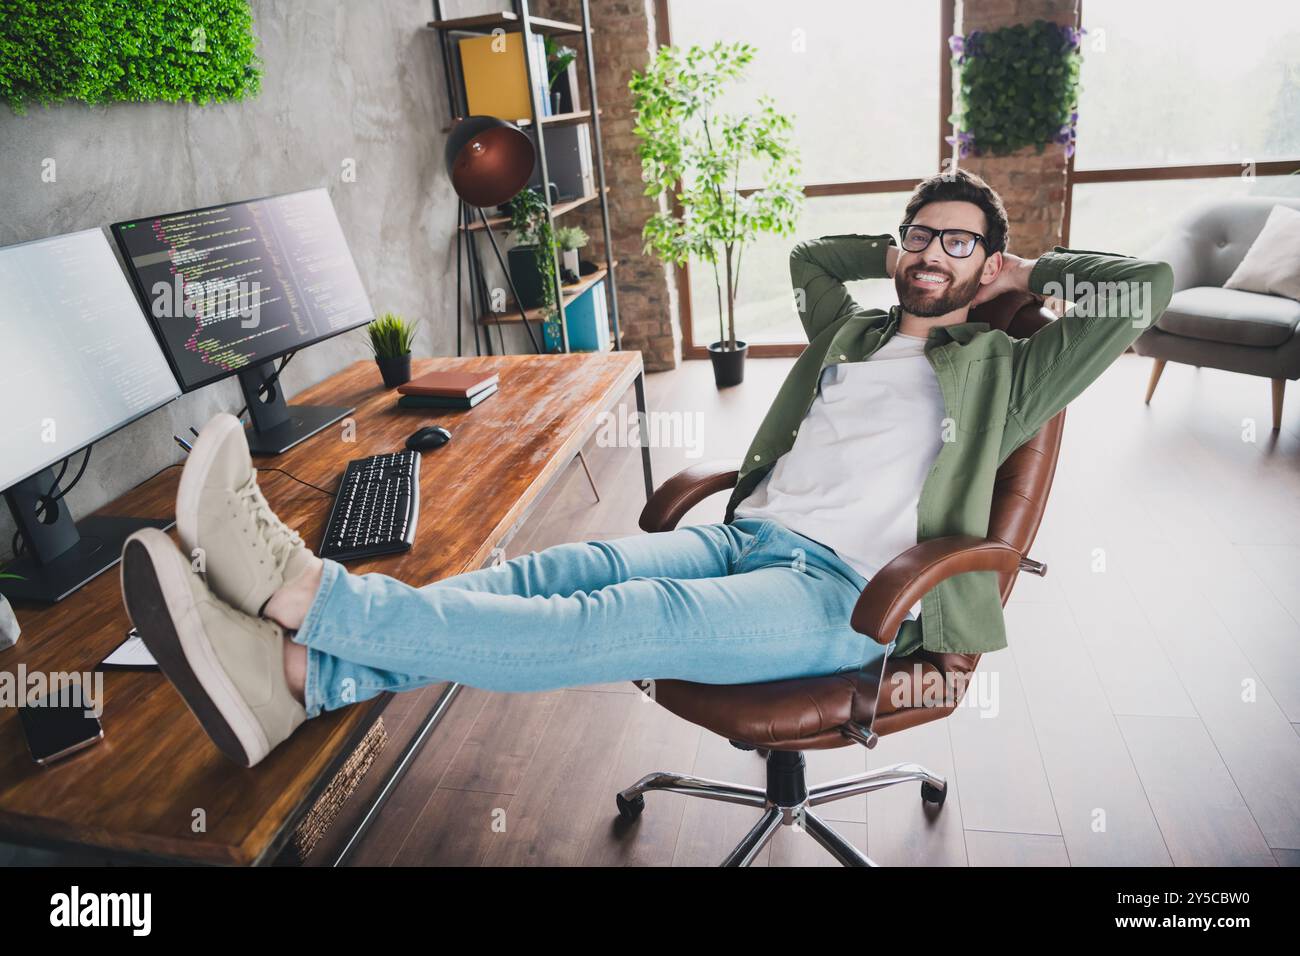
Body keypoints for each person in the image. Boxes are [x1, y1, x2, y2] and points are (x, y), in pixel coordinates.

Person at [119, 168, 1173, 767]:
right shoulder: (850, 332)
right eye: (916, 238)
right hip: (741, 535)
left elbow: (1151, 282)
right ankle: (307, 675)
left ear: (987, 263)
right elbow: (811, 258)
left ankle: (307, 593)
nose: (928, 256)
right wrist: (912, 244)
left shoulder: (1006, 367)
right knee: (542, 575)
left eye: (958, 246)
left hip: (842, 597)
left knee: (597, 623)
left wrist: (1018, 266)